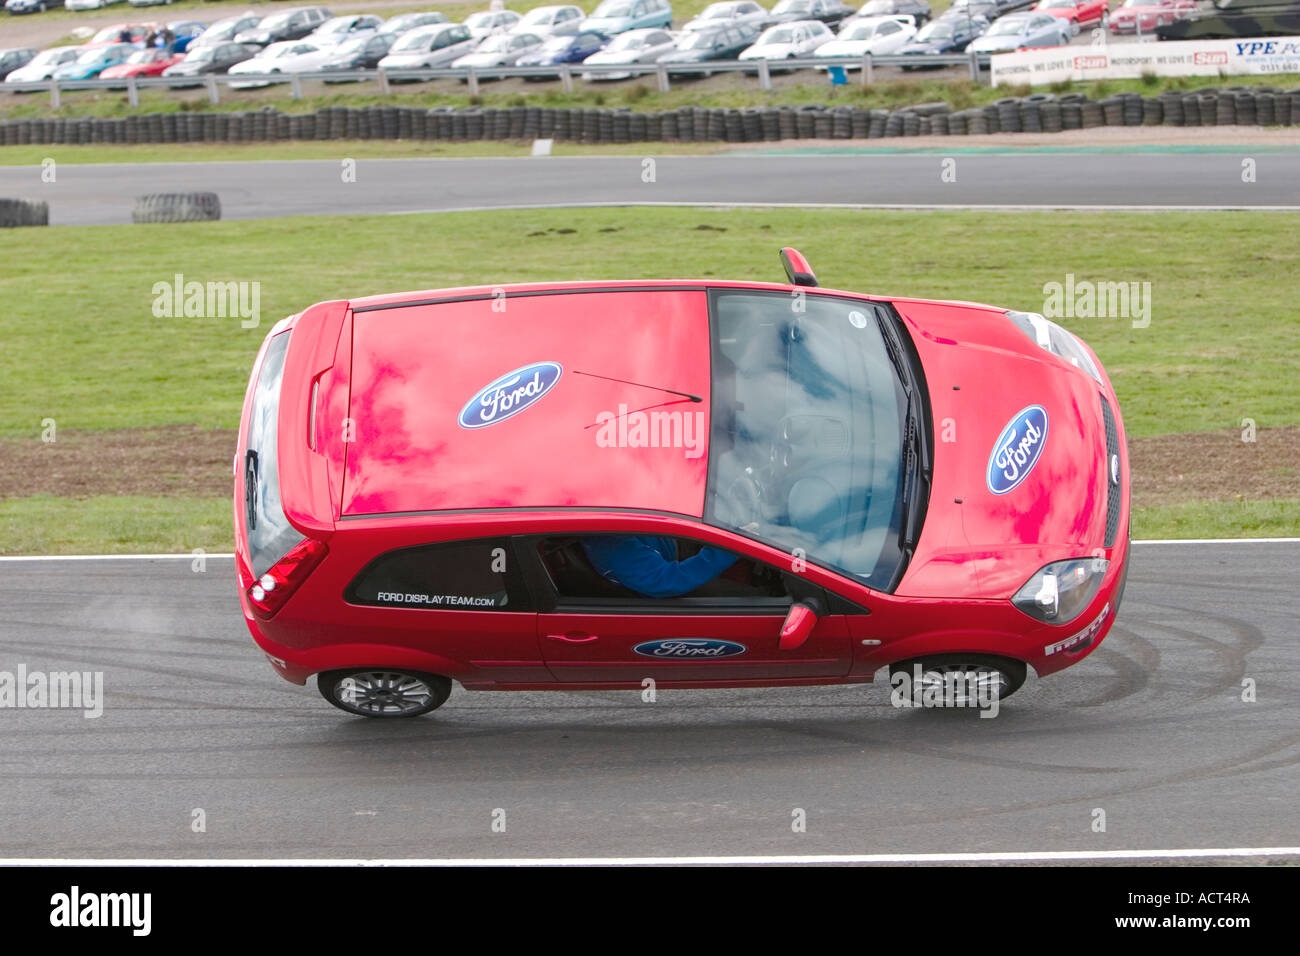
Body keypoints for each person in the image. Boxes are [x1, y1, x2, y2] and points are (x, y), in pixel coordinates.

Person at [582, 536, 737, 599]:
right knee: (745, 597)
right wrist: (730, 546)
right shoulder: (614, 550)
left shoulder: (615, 504)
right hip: (667, 588)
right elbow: (670, 581)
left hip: (666, 546)